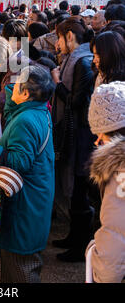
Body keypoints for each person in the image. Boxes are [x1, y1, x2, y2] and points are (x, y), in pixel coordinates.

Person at [0, 65, 55, 283]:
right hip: (34, 199)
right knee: (15, 264)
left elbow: (20, 162)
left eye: (16, 86)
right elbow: (10, 110)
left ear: (26, 94)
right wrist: (10, 90)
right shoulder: (38, 110)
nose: (11, 87)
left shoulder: (26, 121)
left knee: (21, 268)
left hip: (24, 204)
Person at [51, 16, 96, 262]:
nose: (57, 43)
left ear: (69, 36)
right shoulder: (73, 58)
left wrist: (57, 82)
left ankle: (80, 245)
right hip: (73, 131)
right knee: (74, 190)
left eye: (59, 37)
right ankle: (73, 237)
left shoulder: (83, 61)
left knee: (80, 191)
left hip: (81, 134)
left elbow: (77, 101)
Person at [86, 81, 125, 283]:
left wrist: (100, 273)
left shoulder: (120, 173)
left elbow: (115, 238)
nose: (97, 141)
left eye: (102, 134)